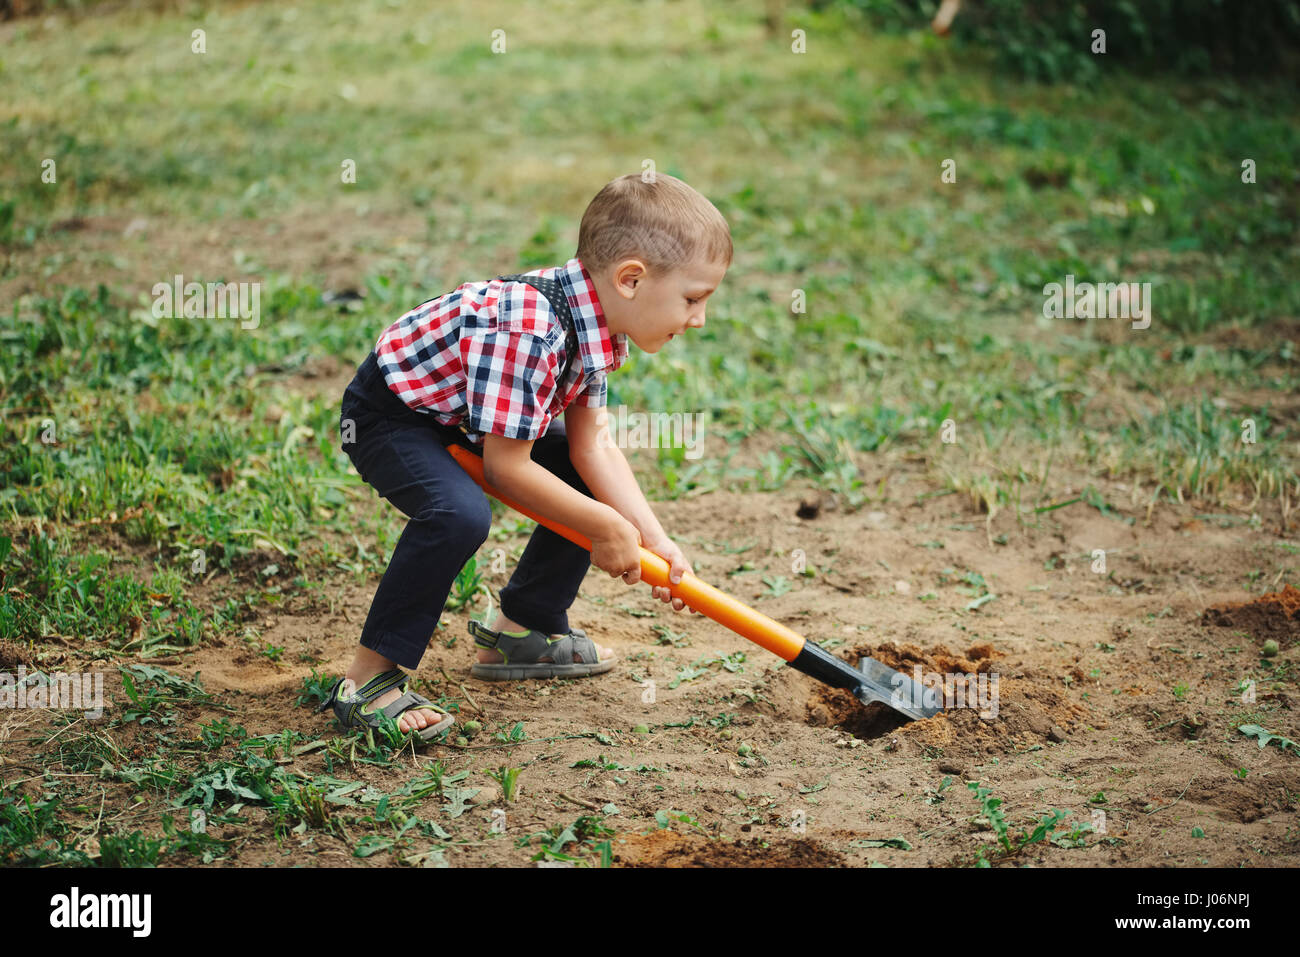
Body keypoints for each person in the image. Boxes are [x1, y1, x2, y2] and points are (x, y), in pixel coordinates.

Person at [318, 172, 732, 742]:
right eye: (693, 298)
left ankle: (522, 628)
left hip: (460, 417)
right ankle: (367, 680)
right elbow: (504, 469)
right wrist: (604, 526)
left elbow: (593, 447)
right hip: (391, 416)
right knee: (457, 514)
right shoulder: (533, 327)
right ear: (631, 279)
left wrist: (650, 535)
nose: (699, 318)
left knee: (571, 465)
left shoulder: (599, 330)